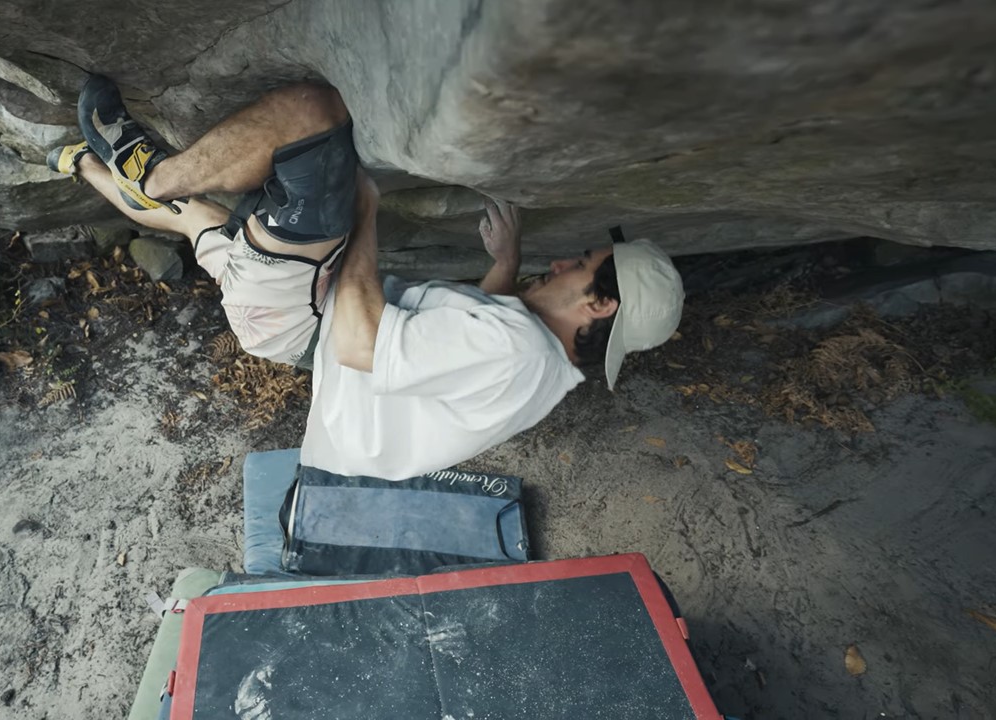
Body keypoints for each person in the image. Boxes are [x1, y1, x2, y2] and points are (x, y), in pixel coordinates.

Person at [50, 76, 684, 480]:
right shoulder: (537, 362)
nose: (570, 258)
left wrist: (367, 214)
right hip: (299, 327)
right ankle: (79, 162)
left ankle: (149, 174)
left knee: (311, 115)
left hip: (314, 320)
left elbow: (362, 341)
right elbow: (457, 352)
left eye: (586, 263)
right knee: (198, 221)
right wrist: (504, 267)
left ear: (600, 306)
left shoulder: (517, 351)